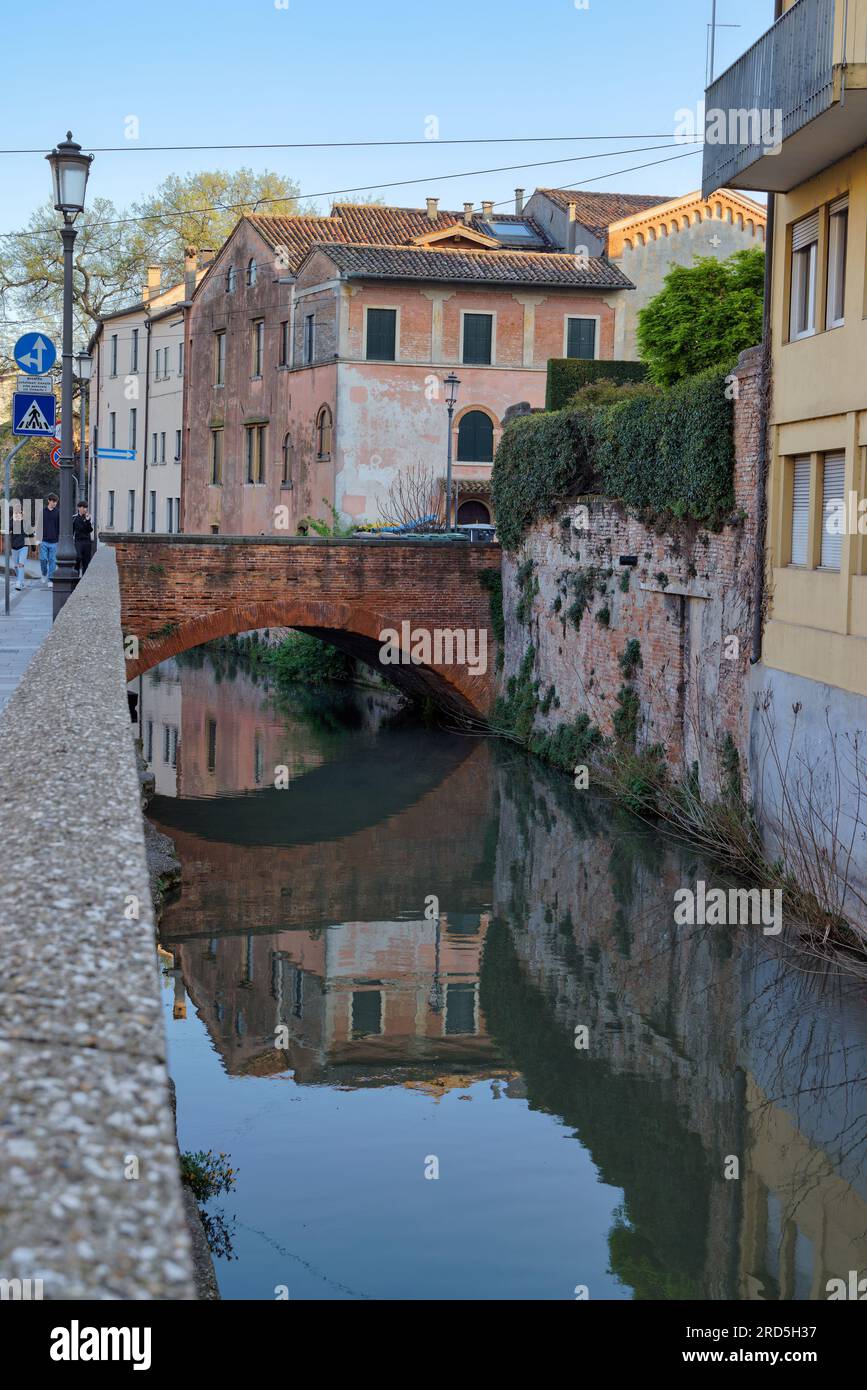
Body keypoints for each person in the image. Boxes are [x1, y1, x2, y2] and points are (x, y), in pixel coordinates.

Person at [9, 501, 34, 591]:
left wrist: (34, 548)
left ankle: (19, 583)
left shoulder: (26, 521)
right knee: (16, 566)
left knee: (20, 565)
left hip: (24, 546)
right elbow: (8, 529)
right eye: (16, 511)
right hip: (14, 547)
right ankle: (21, 581)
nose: (17, 512)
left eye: (19, 511)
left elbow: (31, 534)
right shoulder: (12, 521)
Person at [40, 493, 60, 587]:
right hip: (43, 540)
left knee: (52, 560)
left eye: (56, 502)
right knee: (43, 559)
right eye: (53, 501)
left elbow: (60, 527)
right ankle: (44, 573)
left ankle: (50, 579)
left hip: (54, 541)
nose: (54, 503)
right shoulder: (42, 511)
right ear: (49, 501)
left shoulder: (58, 512)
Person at [72, 501, 94, 576]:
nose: (85, 509)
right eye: (83, 507)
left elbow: (90, 530)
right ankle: (76, 576)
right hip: (78, 541)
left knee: (86, 561)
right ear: (79, 508)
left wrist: (88, 521)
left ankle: (84, 579)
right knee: (78, 557)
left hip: (87, 542)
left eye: (86, 508)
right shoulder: (74, 518)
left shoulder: (88, 517)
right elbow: (72, 531)